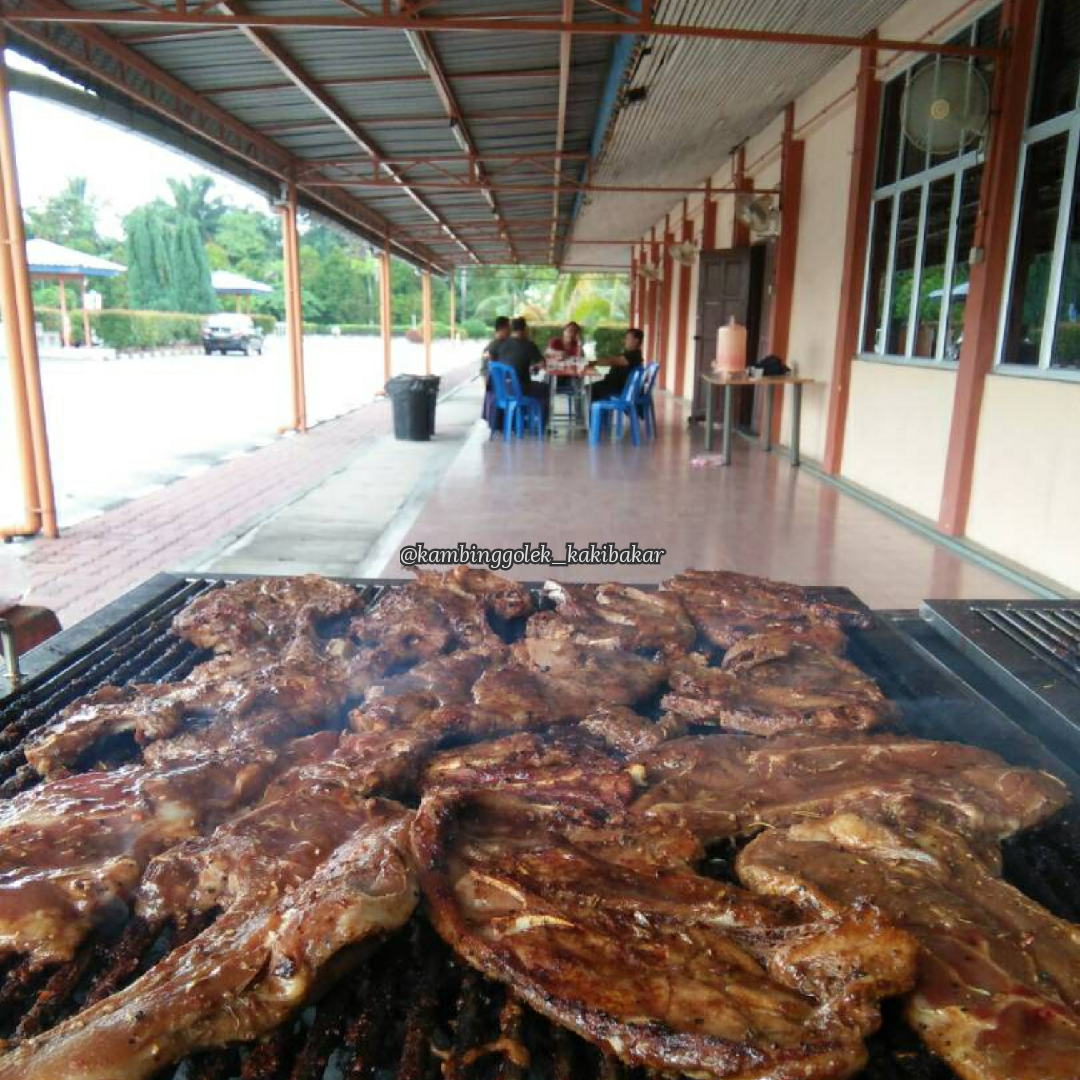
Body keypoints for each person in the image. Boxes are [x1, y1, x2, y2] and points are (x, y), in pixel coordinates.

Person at [491, 317, 549, 429]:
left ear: (512, 329)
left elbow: (494, 360)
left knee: (528, 386)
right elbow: (542, 364)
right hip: (520, 390)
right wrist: (534, 366)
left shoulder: (501, 343)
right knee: (546, 388)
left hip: (502, 390)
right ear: (525, 329)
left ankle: (523, 419)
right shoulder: (528, 345)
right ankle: (543, 426)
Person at [589, 327, 645, 402]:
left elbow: (612, 361)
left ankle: (586, 413)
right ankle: (600, 412)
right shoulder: (631, 353)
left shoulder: (634, 356)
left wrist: (594, 362)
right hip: (616, 386)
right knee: (589, 389)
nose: (625, 341)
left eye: (627, 338)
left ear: (636, 340)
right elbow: (614, 359)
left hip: (619, 389)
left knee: (586, 390)